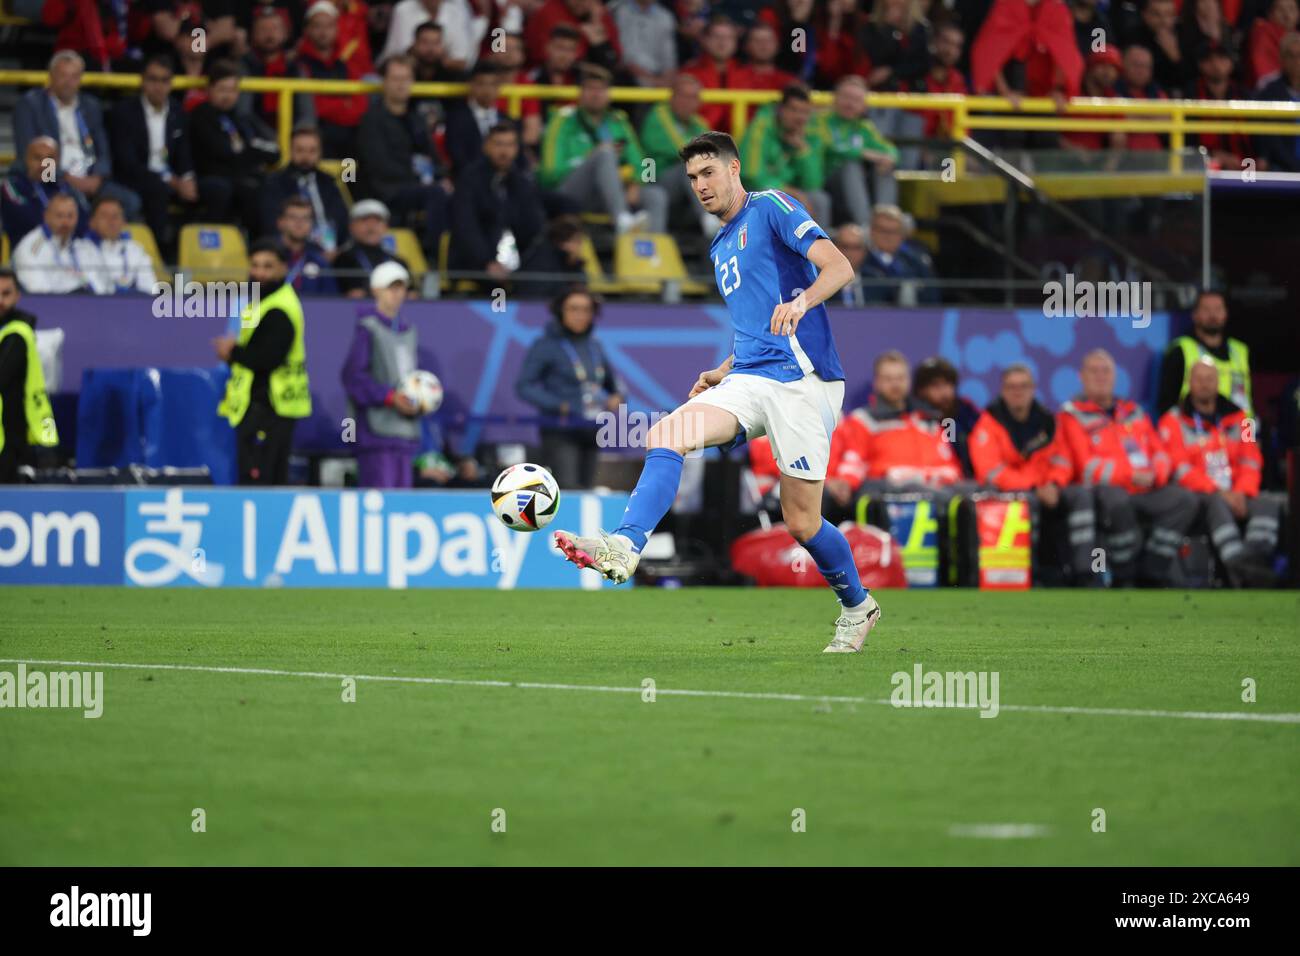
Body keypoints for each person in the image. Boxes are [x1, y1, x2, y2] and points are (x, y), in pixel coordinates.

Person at [551, 131, 882, 654]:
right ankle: (626, 544)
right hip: (749, 376)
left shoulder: (773, 206)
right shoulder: (720, 244)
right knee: (666, 432)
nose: (700, 186)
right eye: (692, 179)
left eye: (708, 174)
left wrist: (802, 303)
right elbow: (753, 323)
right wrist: (723, 368)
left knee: (801, 521)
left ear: (734, 170)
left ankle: (858, 605)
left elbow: (839, 265)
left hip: (803, 380)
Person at [1057, 349, 1197, 587]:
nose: (1101, 376)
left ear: (1115, 376)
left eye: (1106, 371)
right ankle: (1124, 573)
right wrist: (1131, 475)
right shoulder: (1071, 415)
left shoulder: (1134, 411)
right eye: (1094, 371)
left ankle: (1153, 568)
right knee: (1116, 501)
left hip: (1147, 488)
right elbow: (1086, 467)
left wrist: (1157, 474)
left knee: (1185, 500)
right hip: (1105, 490)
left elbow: (1160, 451)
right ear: (1081, 376)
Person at [1159, 358, 1279, 587]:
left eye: (1210, 379)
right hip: (1201, 495)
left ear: (1218, 382)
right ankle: (1238, 567)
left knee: (1268, 503)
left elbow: (1252, 460)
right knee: (1216, 502)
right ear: (1189, 382)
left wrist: (1242, 491)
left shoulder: (1245, 420)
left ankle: (1253, 561)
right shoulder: (1171, 421)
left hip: (1239, 491)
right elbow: (1179, 468)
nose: (1205, 384)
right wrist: (1219, 492)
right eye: (1199, 379)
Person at [214, 240, 312, 485]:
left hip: (270, 407)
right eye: (255, 265)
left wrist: (232, 352)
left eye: (267, 267)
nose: (259, 273)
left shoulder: (278, 308)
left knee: (261, 481)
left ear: (283, 269)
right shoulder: (264, 301)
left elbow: (268, 358)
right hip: (267, 405)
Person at [13, 50, 141, 223]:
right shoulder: (30, 105)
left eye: (74, 76)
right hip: (51, 178)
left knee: (131, 202)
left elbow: (102, 149)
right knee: (78, 205)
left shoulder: (90, 105)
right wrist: (66, 178)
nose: (68, 82)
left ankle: (105, 247)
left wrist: (97, 177)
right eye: (63, 76)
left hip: (89, 178)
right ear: (51, 77)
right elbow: (29, 153)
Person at [516, 286, 624, 488]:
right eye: (573, 309)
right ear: (560, 312)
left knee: (587, 490)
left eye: (586, 309)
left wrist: (618, 396)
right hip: (560, 430)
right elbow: (524, 386)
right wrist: (559, 405)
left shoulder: (594, 346)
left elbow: (614, 384)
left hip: (591, 429)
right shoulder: (546, 345)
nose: (580, 315)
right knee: (568, 490)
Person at [538, 64, 655, 234]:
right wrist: (589, 161)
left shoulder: (619, 121)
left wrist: (636, 182)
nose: (596, 94)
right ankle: (622, 219)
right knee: (605, 153)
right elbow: (549, 173)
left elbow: (644, 162)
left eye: (601, 90)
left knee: (655, 195)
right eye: (590, 89)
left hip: (608, 193)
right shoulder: (562, 119)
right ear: (580, 93)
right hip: (569, 192)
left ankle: (655, 253)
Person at [108, 56, 203, 256]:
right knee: (158, 189)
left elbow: (184, 151)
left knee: (215, 189)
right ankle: (159, 252)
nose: (158, 87)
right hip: (135, 176)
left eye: (164, 80)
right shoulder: (124, 112)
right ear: (143, 81)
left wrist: (187, 178)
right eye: (153, 79)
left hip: (170, 177)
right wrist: (171, 181)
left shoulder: (178, 111)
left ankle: (195, 253)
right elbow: (127, 162)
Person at [356, 54, 450, 253]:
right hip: (387, 190)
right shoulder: (371, 121)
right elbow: (379, 167)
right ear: (385, 82)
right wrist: (423, 179)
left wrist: (442, 176)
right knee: (436, 193)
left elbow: (434, 158)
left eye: (406, 79)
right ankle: (431, 256)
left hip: (416, 187)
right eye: (396, 79)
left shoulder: (416, 119)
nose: (401, 85)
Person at [341, 261, 423, 488]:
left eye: (401, 288)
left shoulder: (409, 331)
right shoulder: (367, 328)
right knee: (379, 502)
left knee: (400, 510)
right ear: (376, 289)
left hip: (404, 433)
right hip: (376, 434)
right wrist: (390, 397)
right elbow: (353, 378)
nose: (397, 294)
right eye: (391, 288)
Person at [189, 59, 282, 238]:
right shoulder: (201, 115)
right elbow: (222, 151)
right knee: (242, 189)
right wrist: (249, 153)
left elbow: (273, 152)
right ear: (209, 90)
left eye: (232, 90)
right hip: (211, 177)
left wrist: (245, 152)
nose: (228, 96)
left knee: (270, 185)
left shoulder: (241, 119)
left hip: (238, 177)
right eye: (222, 89)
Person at [448, 123, 546, 277]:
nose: (504, 151)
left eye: (510, 145)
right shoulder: (469, 180)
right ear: (486, 146)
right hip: (474, 263)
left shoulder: (522, 183)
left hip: (518, 262)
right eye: (498, 144)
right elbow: (466, 227)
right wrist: (486, 262)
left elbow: (534, 225)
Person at [970, 364, 1071, 506]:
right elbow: (990, 470)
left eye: (1023, 386)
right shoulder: (987, 424)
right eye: (1011, 387)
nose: (1017, 392)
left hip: (1047, 490)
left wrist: (1053, 483)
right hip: (1008, 494)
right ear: (1003, 391)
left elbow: (1062, 461)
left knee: (1077, 495)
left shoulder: (1049, 423)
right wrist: (1033, 488)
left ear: (1033, 389)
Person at [739, 83, 832, 229]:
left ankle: (819, 248)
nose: (799, 117)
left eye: (804, 112)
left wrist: (802, 151)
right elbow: (751, 175)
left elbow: (814, 183)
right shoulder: (761, 127)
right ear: (780, 109)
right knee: (773, 199)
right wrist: (789, 192)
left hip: (792, 193)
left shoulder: (811, 132)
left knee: (819, 199)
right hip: (757, 191)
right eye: (793, 110)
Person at [0, 268, 59, 483]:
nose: (1, 300)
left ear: (17, 296)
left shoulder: (18, 333)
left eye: (6, 294)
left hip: (12, 437)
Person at [814, 74, 900, 223]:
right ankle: (866, 226)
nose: (850, 104)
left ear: (864, 106)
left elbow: (889, 149)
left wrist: (888, 158)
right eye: (846, 97)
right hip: (824, 180)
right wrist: (863, 153)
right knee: (850, 166)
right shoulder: (820, 120)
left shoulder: (863, 127)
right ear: (835, 98)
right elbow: (830, 147)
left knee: (885, 166)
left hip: (856, 186)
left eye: (856, 100)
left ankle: (885, 219)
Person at [638, 73, 717, 236]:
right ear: (672, 98)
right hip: (653, 180)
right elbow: (684, 150)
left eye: (693, 97)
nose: (688, 102)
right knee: (691, 164)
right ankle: (709, 218)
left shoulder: (699, 123)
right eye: (683, 96)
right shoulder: (659, 115)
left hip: (687, 190)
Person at [1157, 289, 1252, 417]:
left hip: (1238, 432)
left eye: (1218, 309)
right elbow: (1166, 405)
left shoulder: (1240, 351)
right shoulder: (1181, 350)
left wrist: (1250, 436)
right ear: (1194, 315)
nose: (1213, 315)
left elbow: (1248, 403)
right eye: (1206, 309)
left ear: (1226, 314)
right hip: (1196, 432)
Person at [258, 126, 350, 257]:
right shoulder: (275, 183)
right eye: (300, 150)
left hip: (332, 252)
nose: (306, 156)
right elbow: (270, 223)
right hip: (290, 251)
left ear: (320, 152)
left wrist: (337, 249)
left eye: (312, 151)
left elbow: (341, 218)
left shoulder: (329, 182)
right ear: (290, 150)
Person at [1, 137, 87, 250]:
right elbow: (27, 220)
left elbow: (84, 221)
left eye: (49, 159)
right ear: (27, 159)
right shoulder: (12, 187)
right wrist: (65, 221)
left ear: (57, 161)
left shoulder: (66, 188)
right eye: (37, 157)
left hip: (67, 255)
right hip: (29, 254)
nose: (43, 164)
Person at [12, 193, 92, 294]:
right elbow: (39, 294)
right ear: (46, 216)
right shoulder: (31, 248)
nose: (65, 222)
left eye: (70, 216)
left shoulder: (79, 246)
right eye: (59, 216)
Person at [859, 203, 938, 304]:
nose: (888, 236)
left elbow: (932, 297)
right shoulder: (859, 258)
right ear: (871, 231)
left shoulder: (916, 261)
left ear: (902, 234)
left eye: (894, 231)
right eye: (882, 230)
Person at [80, 195, 157, 295]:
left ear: (124, 221)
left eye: (116, 216)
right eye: (104, 216)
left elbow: (149, 289)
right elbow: (94, 289)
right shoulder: (81, 250)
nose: (111, 221)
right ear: (92, 222)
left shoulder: (136, 250)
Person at [333, 199, 411, 298]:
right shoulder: (342, 260)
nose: (371, 227)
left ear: (386, 227)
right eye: (365, 221)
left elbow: (412, 295)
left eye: (377, 221)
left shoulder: (398, 262)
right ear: (351, 226)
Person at [272, 197, 338, 296]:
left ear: (312, 224)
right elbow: (247, 295)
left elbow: (332, 300)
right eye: (293, 217)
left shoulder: (319, 258)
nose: (299, 223)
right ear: (280, 222)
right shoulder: (266, 254)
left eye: (305, 218)